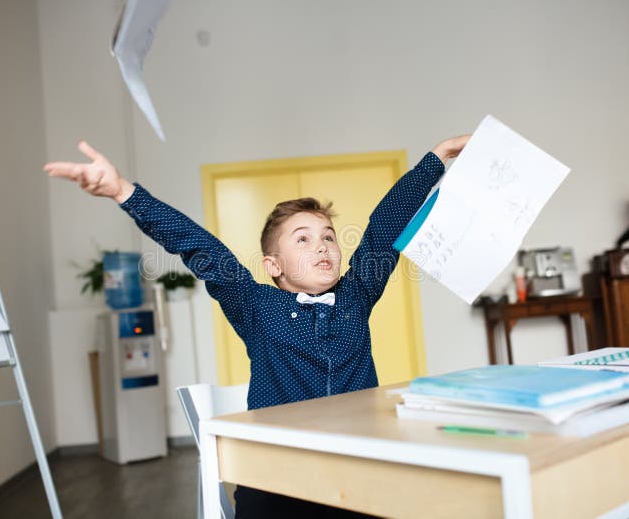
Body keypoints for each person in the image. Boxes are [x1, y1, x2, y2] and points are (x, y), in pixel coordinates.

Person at [44, 134, 469, 518]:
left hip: (353, 474)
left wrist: (438, 157)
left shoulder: (356, 296)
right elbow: (197, 244)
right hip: (276, 479)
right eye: (302, 239)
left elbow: (384, 226)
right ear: (273, 266)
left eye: (328, 237)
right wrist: (122, 191)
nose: (321, 245)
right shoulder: (255, 304)